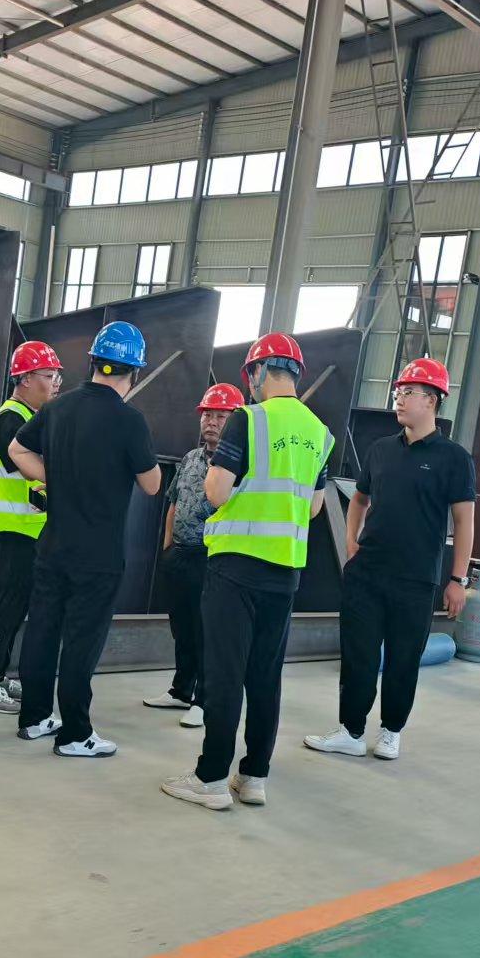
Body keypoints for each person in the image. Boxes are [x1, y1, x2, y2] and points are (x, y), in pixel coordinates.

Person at [161, 333, 332, 811]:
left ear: (256, 373)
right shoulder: (319, 432)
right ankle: (254, 775)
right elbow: (314, 507)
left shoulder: (249, 419)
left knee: (224, 673)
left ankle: (211, 778)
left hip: (236, 567)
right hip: (286, 570)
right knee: (264, 677)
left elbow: (217, 491)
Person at [304, 356, 476, 763]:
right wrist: (351, 541)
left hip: (416, 578)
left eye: (409, 392)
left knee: (403, 659)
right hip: (367, 573)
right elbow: (359, 499)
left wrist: (458, 580)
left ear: (432, 400)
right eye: (398, 392)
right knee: (358, 655)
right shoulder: (380, 450)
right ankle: (350, 731)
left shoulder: (454, 458)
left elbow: (464, 521)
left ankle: (391, 731)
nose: (398, 399)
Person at [9, 321, 161, 758]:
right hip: (98, 555)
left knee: (42, 631)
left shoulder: (57, 408)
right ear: (133, 372)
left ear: (94, 361)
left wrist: (56, 478)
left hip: (53, 545)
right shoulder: (129, 420)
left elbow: (17, 450)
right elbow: (151, 485)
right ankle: (75, 734)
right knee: (81, 642)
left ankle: (34, 718)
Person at [0, 341, 63, 714]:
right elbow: (29, 467)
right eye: (48, 375)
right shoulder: (10, 418)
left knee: (17, 605)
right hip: (10, 529)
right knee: (6, 606)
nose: (56, 383)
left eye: (56, 376)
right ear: (24, 379)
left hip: (28, 529)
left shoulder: (31, 418)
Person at [143, 383, 245, 732]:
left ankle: (204, 700)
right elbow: (173, 503)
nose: (211, 422)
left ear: (234, 421)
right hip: (180, 555)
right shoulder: (190, 459)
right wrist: (168, 548)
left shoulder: (240, 465)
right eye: (207, 415)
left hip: (211, 558)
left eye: (220, 416)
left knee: (206, 632)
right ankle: (181, 689)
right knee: (183, 627)